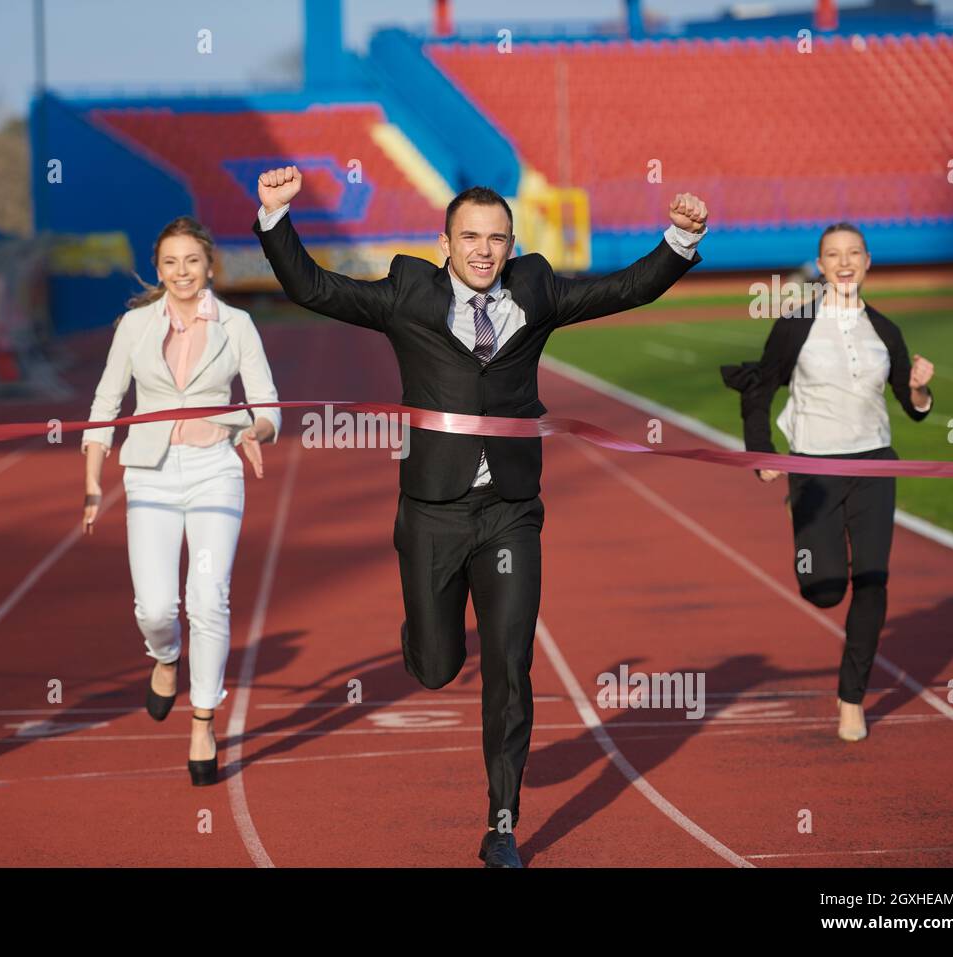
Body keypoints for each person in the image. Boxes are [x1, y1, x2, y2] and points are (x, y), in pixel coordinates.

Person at [254, 165, 707, 866]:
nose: (484, 249)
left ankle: (502, 822)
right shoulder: (407, 291)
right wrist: (278, 218)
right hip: (433, 511)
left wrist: (679, 238)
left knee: (509, 662)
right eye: (470, 236)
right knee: (437, 667)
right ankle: (425, 637)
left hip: (510, 513)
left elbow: (622, 288)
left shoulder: (535, 288)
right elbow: (314, 287)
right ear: (446, 241)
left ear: (511, 243)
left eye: (497, 237)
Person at [81, 216, 281, 787]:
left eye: (191, 261)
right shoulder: (135, 326)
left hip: (216, 468)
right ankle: (166, 659)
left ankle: (203, 719)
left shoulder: (237, 325)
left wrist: (255, 432)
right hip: (149, 473)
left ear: (209, 264)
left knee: (209, 598)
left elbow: (267, 404)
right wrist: (94, 480)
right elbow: (104, 403)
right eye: (170, 262)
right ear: (158, 267)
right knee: (155, 608)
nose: (181, 272)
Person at [722, 222, 934, 744]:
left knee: (873, 580)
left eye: (853, 253)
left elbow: (912, 407)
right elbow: (759, 389)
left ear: (867, 262)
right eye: (833, 255)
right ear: (820, 266)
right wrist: (761, 452)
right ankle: (815, 558)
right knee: (823, 589)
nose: (844, 262)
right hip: (814, 469)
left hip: (875, 468)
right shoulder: (796, 325)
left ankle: (851, 699)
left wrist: (921, 391)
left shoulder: (885, 330)